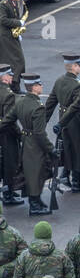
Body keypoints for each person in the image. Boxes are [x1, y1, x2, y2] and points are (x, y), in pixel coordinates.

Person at [47, 54, 80, 193]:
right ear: (74, 66)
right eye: (78, 65)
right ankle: (76, 182)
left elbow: (50, 103)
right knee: (79, 150)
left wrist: (42, 121)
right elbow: (78, 107)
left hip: (62, 119)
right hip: (75, 120)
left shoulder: (59, 81)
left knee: (67, 148)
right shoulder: (77, 85)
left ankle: (65, 174)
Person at [15, 73, 54, 215]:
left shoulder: (20, 101)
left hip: (26, 141)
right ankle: (34, 205)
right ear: (34, 87)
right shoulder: (38, 107)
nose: (41, 86)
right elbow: (40, 133)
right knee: (37, 173)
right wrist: (50, 149)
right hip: (35, 145)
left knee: (31, 172)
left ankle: (36, 201)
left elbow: (9, 119)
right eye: (39, 84)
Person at [0, 65, 21, 205]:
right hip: (6, 134)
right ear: (4, 78)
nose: (12, 77)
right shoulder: (8, 95)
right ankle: (8, 194)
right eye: (9, 75)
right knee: (10, 163)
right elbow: (10, 120)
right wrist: (19, 134)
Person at [0, 0, 27, 91]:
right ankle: (13, 87)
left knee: (18, 62)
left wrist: (18, 33)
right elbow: (3, 20)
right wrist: (18, 23)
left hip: (11, 36)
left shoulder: (13, 3)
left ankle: (15, 85)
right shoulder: (3, 5)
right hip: (5, 38)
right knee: (15, 62)